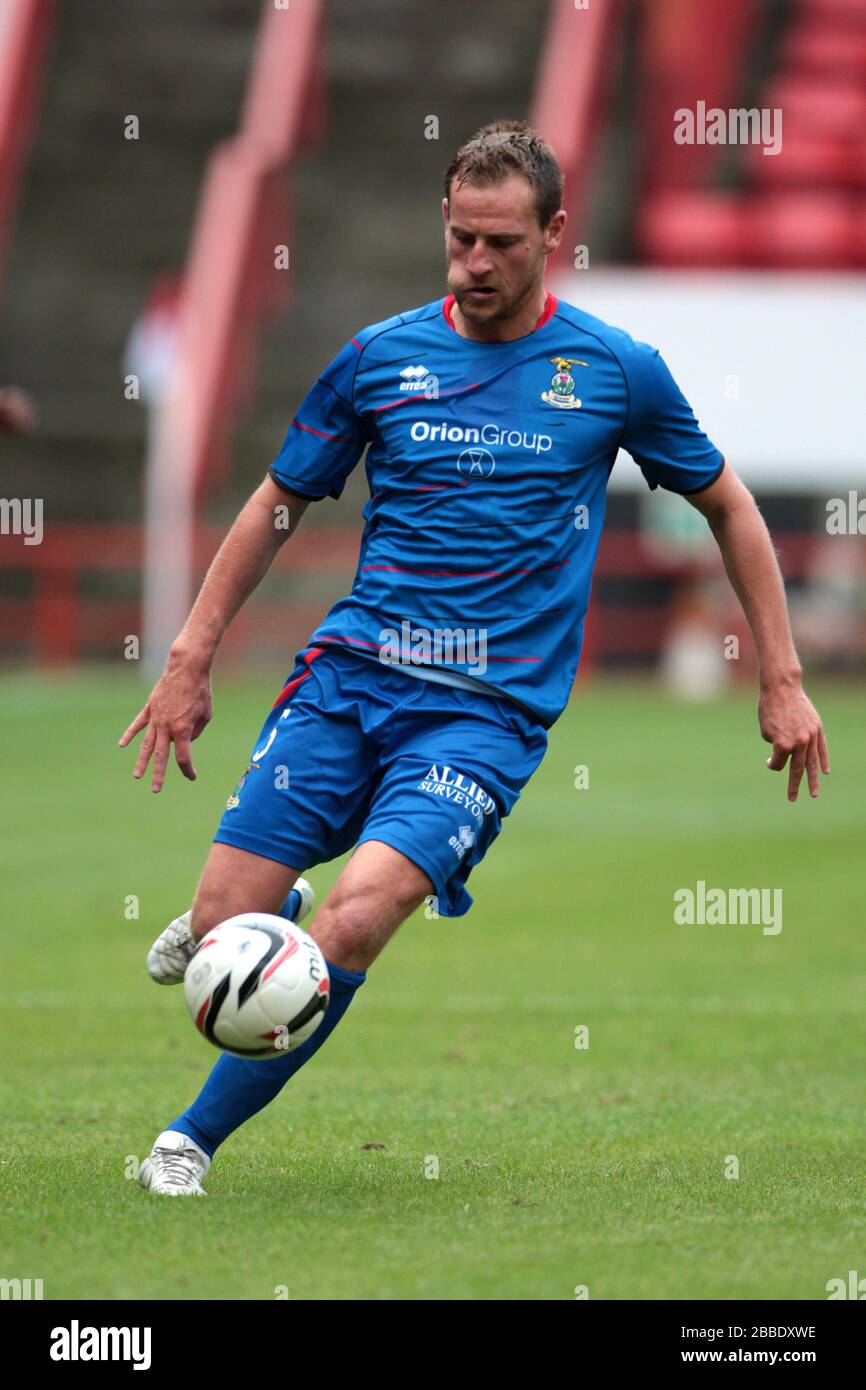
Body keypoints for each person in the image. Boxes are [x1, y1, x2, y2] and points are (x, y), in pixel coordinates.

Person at [120, 120, 829, 1196]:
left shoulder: (612, 371)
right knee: (229, 926)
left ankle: (187, 1141)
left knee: (360, 912)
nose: (476, 264)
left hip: (482, 719)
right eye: (460, 240)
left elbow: (724, 503)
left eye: (500, 242)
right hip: (350, 678)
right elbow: (275, 503)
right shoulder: (378, 357)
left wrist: (778, 677)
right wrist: (188, 653)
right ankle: (274, 915)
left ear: (553, 233)